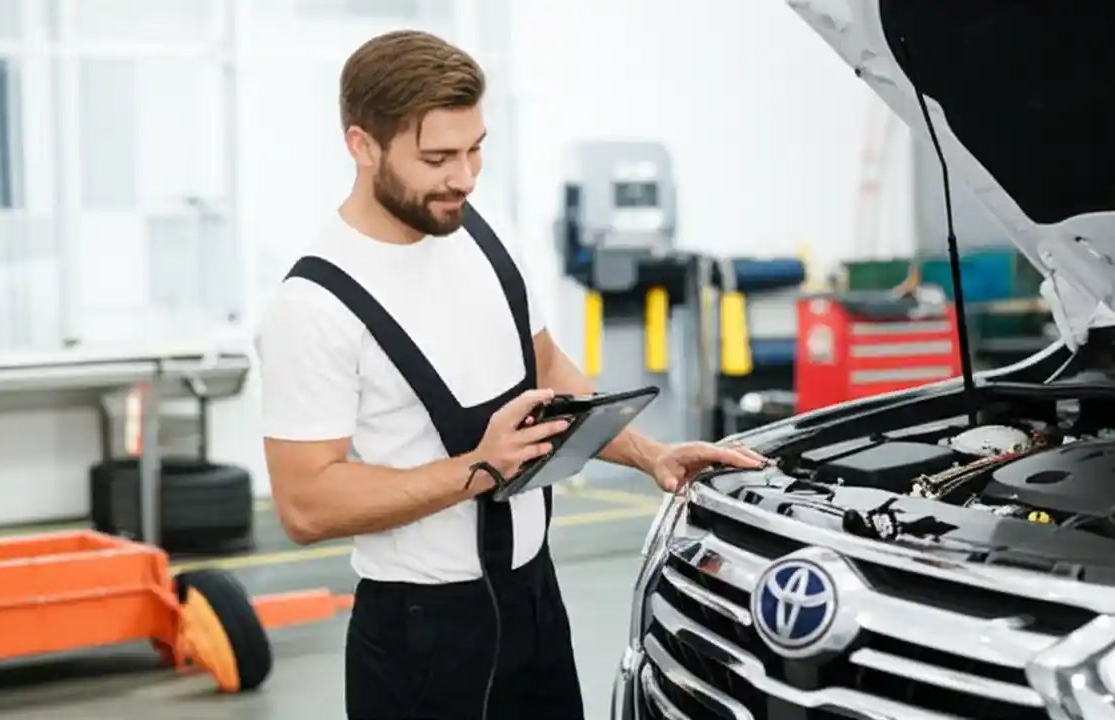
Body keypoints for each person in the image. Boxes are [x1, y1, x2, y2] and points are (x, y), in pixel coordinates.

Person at [254, 29, 766, 720]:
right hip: (419, 633)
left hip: (534, 600)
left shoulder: (488, 239)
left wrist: (651, 454)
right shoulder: (313, 305)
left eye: (475, 149)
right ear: (362, 145)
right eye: (437, 157)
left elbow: (548, 368)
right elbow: (305, 504)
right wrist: (479, 468)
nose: (464, 177)